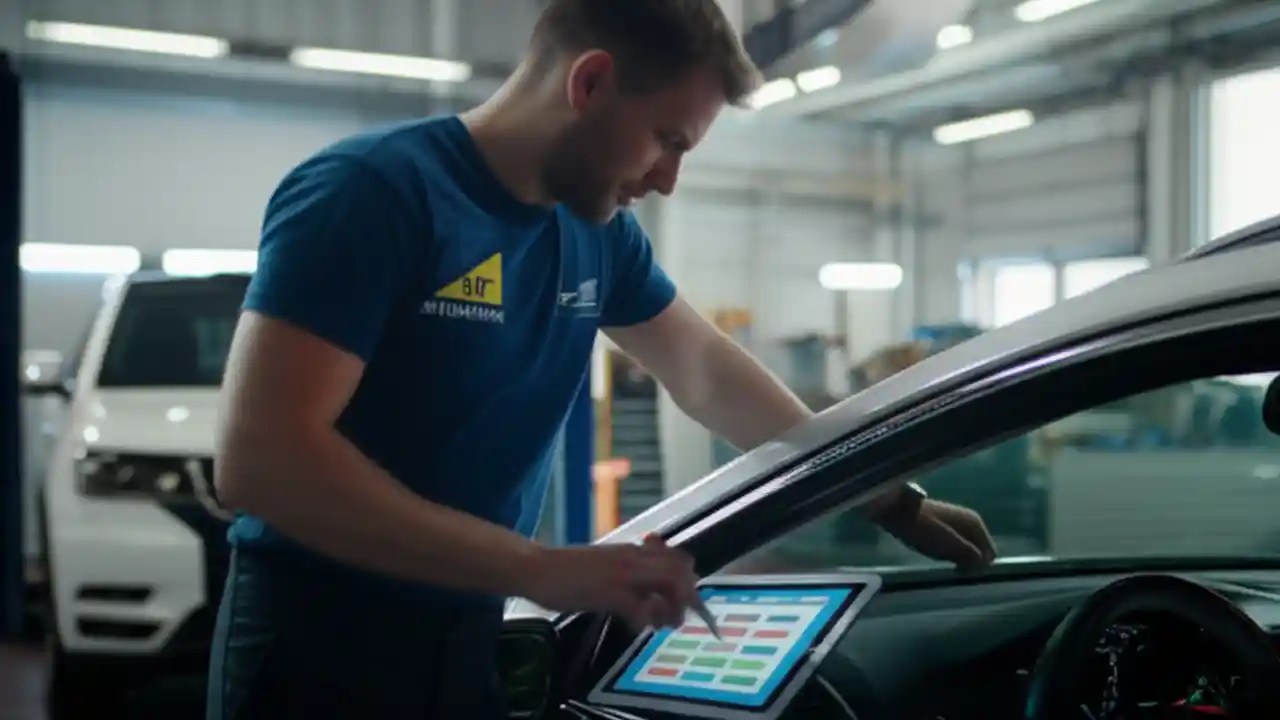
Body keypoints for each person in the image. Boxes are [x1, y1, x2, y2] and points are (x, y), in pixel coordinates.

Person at [206, 1, 998, 717]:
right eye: (666, 140)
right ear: (590, 83)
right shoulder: (374, 193)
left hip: (469, 629)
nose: (667, 180)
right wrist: (540, 567)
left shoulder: (597, 234)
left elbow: (706, 372)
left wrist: (890, 500)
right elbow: (261, 462)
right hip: (319, 641)